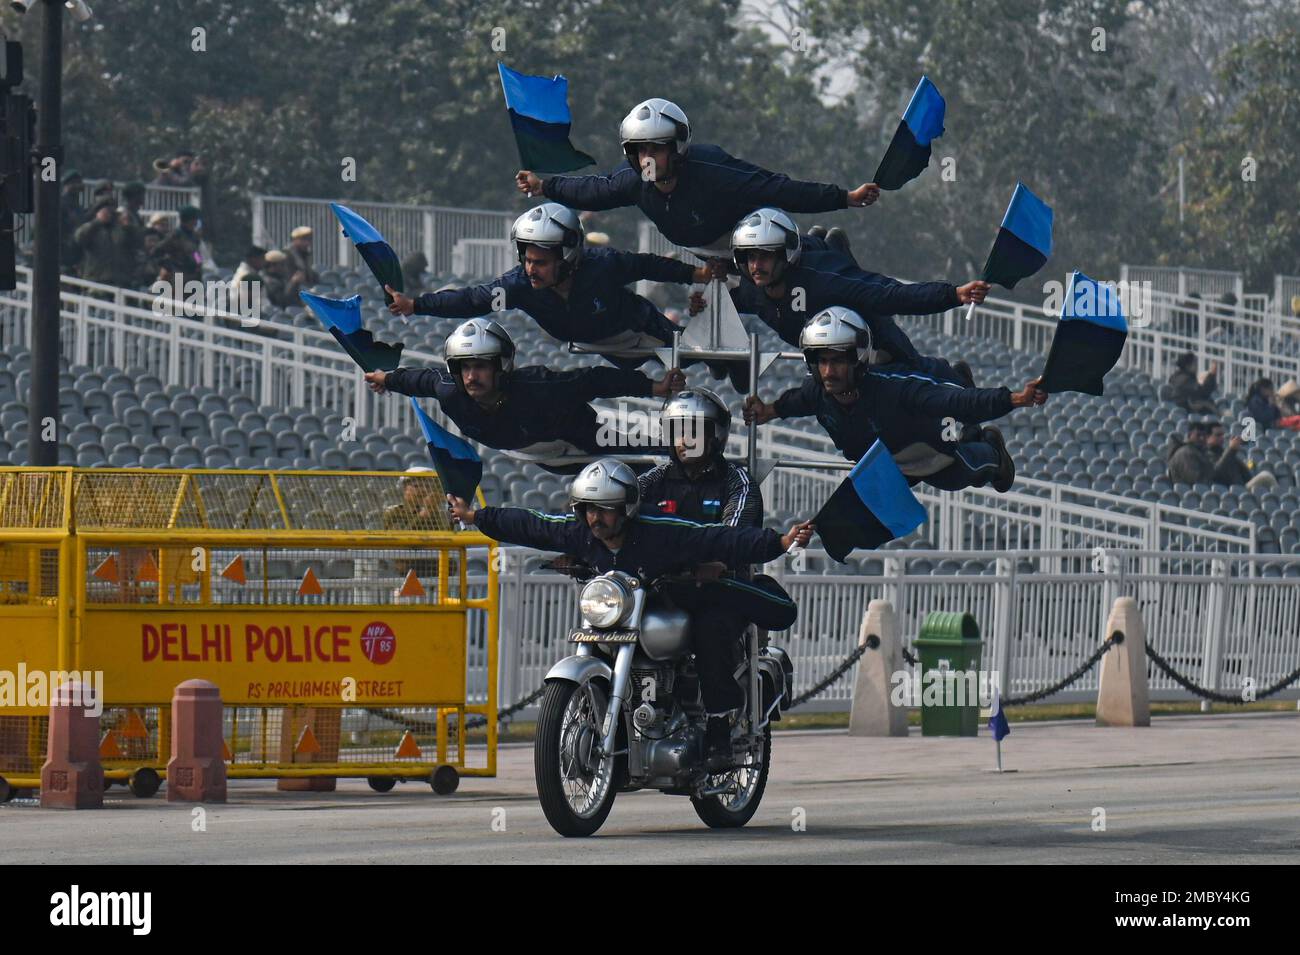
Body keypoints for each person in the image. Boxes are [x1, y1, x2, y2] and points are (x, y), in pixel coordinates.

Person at [446, 458, 813, 766]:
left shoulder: (660, 531)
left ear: (626, 509)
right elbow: (534, 524)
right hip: (624, 609)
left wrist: (779, 541)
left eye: (604, 509)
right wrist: (477, 516)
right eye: (588, 508)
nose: (595, 518)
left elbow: (717, 538)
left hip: (674, 597)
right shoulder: (582, 534)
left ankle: (718, 724)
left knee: (709, 629)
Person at [636, 390, 796, 763]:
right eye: (678, 429)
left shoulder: (737, 481)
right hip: (662, 587)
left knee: (711, 628)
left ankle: (720, 726)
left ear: (717, 436)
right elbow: (618, 514)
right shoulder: (650, 481)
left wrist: (718, 559)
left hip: (719, 588)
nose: (685, 439)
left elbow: (736, 529)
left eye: (695, 430)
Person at [516, 98, 880, 259]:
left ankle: (822, 248)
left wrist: (844, 197)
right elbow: (591, 191)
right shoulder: (632, 180)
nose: (647, 160)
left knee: (773, 263)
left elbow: (778, 188)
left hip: (743, 240)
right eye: (639, 151)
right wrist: (544, 186)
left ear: (678, 149)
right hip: (697, 252)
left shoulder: (713, 170)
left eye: (656, 149)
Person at [383, 203, 719, 370]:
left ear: (568, 257)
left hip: (639, 328)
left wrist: (694, 275)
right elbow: (473, 299)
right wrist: (417, 305)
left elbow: (649, 264)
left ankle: (723, 352)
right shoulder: (517, 287)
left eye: (540, 262)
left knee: (689, 360)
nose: (531, 269)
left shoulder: (604, 265)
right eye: (527, 260)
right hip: (602, 347)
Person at [744, 307, 1047, 492]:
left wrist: (1015, 399)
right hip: (886, 462)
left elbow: (959, 403)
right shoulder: (817, 390)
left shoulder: (893, 390)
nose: (828, 371)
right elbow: (796, 402)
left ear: (858, 361)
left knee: (955, 474)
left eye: (837, 362)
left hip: (927, 447)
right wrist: (769, 410)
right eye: (821, 361)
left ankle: (992, 451)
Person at [364, 318, 686, 465]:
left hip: (573, 439)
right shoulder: (449, 391)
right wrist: (387, 379)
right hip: (523, 450)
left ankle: (683, 451)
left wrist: (653, 387)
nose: (471, 376)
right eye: (464, 368)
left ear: (501, 366)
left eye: (481, 366)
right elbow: (419, 379)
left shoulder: (539, 387)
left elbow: (594, 380)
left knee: (643, 453)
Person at [729, 208, 988, 369]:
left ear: (785, 254)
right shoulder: (750, 291)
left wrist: (953, 294)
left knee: (910, 371)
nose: (756, 266)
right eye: (749, 257)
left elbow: (890, 294)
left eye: (765, 256)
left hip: (866, 332)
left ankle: (954, 377)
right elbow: (722, 303)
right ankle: (824, 244)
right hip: (824, 356)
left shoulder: (824, 281)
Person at [383, 467, 441, 578]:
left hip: (435, 567)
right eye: (417, 486)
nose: (423, 490)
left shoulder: (437, 512)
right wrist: (422, 516)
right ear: (405, 489)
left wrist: (434, 511)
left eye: (427, 486)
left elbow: (445, 536)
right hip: (405, 569)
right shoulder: (394, 512)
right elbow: (400, 539)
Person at [73, 198, 130, 285]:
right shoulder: (91, 227)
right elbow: (79, 238)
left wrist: (127, 225)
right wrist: (97, 221)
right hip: (96, 278)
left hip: (117, 279)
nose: (110, 214)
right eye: (107, 211)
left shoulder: (118, 229)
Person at [1205, 422, 1276, 491]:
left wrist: (1247, 465)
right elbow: (1217, 472)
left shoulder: (1225, 453)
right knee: (1265, 476)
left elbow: (1247, 476)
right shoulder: (1206, 454)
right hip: (1230, 491)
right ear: (1208, 437)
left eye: (1222, 435)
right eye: (1218, 435)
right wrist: (1231, 450)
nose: (1222, 438)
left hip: (1241, 489)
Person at [1166, 421, 1215, 486]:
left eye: (1204, 436)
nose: (1202, 438)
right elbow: (1195, 480)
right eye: (1198, 435)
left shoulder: (1200, 452)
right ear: (1189, 435)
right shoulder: (1185, 453)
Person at [59, 169, 86, 272]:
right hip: (64, 253)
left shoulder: (77, 206)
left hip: (75, 254)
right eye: (74, 183)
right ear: (67, 185)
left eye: (78, 183)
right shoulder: (61, 204)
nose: (78, 186)